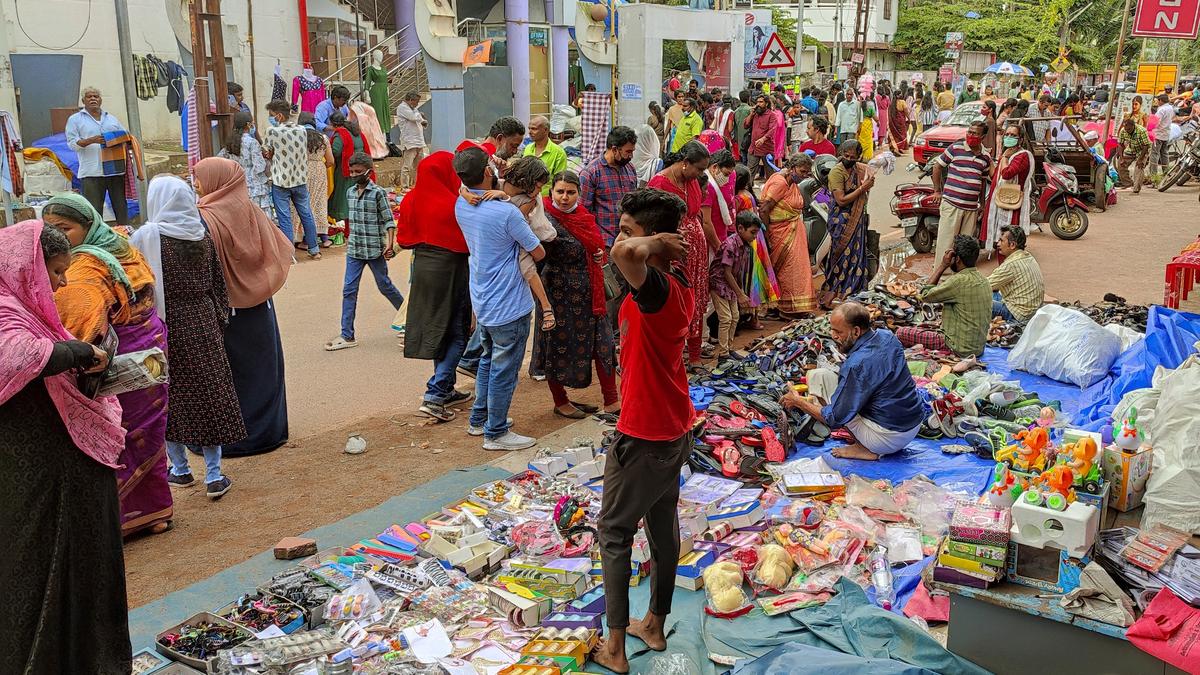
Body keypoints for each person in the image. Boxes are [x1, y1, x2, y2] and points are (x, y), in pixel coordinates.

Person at [0, 221, 132, 674]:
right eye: (54, 272)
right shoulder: (6, 310)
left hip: (58, 459)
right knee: (36, 565)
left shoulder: (29, 308)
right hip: (29, 468)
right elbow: (15, 356)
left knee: (82, 559)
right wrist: (77, 352)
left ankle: (90, 659)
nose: (59, 284)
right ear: (26, 268)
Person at [593, 188, 692, 675]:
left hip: (646, 433)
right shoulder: (669, 286)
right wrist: (651, 242)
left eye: (628, 231)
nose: (619, 240)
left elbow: (622, 254)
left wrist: (648, 243)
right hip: (671, 427)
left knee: (613, 531)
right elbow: (622, 254)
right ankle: (653, 623)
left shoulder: (657, 289)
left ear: (656, 241)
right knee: (661, 524)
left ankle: (614, 649)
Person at [45, 193, 172, 537]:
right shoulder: (121, 247)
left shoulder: (83, 267)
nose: (57, 236)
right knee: (146, 434)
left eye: (64, 228)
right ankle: (156, 512)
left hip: (118, 360)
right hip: (149, 351)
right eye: (50, 229)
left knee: (116, 435)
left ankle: (123, 520)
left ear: (88, 225)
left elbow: (81, 326)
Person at [129, 176, 242, 498]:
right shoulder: (202, 236)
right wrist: (217, 321)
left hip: (163, 326)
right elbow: (218, 284)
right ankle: (214, 475)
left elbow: (135, 284)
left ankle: (180, 469)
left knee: (167, 394)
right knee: (209, 394)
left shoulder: (147, 237)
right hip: (202, 321)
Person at [194, 157, 293, 457]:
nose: (195, 184)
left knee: (229, 372)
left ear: (216, 180)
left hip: (225, 310)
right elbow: (275, 251)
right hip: (259, 306)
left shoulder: (203, 219)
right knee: (261, 370)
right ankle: (266, 432)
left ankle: (232, 437)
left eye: (199, 177)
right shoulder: (252, 211)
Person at [453, 146, 546, 450]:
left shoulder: (462, 203)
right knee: (504, 371)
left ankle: (479, 420)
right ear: (486, 172)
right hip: (509, 303)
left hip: (484, 298)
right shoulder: (506, 212)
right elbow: (538, 251)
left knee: (488, 362)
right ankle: (495, 432)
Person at [781, 302, 924, 461]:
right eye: (832, 330)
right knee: (819, 375)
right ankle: (864, 437)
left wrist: (797, 401)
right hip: (914, 423)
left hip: (887, 438)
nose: (833, 336)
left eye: (838, 332)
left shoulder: (855, 365)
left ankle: (864, 448)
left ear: (856, 331)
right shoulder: (887, 336)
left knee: (838, 407)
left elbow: (834, 418)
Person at [534, 171, 620, 419]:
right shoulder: (543, 219)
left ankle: (612, 400)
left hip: (590, 295)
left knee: (604, 345)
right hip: (558, 296)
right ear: (551, 192)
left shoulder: (583, 217)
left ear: (579, 195)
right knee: (557, 348)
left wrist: (596, 255)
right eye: (560, 192)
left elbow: (595, 246)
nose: (564, 197)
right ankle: (560, 401)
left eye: (570, 192)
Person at [398, 152, 474, 422]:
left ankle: (447, 387)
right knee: (457, 331)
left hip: (422, 267)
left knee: (437, 327)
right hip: (451, 267)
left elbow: (403, 239)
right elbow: (469, 242)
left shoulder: (410, 199)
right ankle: (436, 393)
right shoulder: (454, 204)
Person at [324, 153, 405, 351]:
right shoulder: (350, 192)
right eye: (351, 171)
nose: (354, 175)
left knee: (385, 286)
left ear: (369, 172)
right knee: (349, 290)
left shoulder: (378, 193)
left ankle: (409, 318)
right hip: (355, 249)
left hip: (374, 250)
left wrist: (389, 245)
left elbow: (388, 221)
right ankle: (347, 334)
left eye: (358, 171)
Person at [648, 142, 713, 372]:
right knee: (674, 302)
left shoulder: (692, 182)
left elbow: (697, 214)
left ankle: (694, 356)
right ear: (685, 163)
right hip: (671, 253)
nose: (701, 174)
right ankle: (672, 357)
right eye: (699, 168)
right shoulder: (659, 183)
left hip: (695, 254)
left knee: (695, 301)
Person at [580, 126, 639, 321]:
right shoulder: (591, 173)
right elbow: (585, 214)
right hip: (607, 243)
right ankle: (612, 333)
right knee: (613, 292)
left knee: (631, 288)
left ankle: (625, 330)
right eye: (628, 151)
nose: (631, 155)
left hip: (630, 242)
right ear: (614, 149)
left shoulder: (630, 169)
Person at [897, 235, 991, 357]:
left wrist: (943, 265)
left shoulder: (958, 281)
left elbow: (924, 295)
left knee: (901, 332)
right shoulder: (984, 280)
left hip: (956, 347)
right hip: (978, 348)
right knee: (925, 326)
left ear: (957, 259)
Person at [759, 153, 817, 317]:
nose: (804, 175)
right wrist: (767, 235)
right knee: (789, 271)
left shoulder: (790, 182)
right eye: (802, 171)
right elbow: (764, 209)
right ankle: (787, 308)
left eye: (807, 173)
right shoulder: (780, 183)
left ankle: (792, 306)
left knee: (795, 270)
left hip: (792, 232)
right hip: (780, 233)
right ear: (792, 168)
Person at [263, 99, 322, 259]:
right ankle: (314, 249)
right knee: (306, 214)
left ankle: (289, 254)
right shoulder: (302, 130)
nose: (271, 118)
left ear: (279, 116)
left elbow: (266, 152)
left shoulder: (272, 131)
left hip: (280, 181)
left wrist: (272, 154)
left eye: (272, 115)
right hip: (300, 179)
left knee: (285, 218)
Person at [65, 87, 132, 226]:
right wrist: (91, 140)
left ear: (100, 100)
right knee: (94, 210)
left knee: (121, 206)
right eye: (89, 96)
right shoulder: (75, 119)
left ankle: (125, 232)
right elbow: (72, 144)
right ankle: (97, 235)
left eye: (96, 96)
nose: (93, 99)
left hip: (114, 170)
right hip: (92, 171)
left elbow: (126, 135)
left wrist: (116, 139)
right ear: (83, 100)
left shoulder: (111, 118)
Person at [820, 140, 875, 306]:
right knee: (840, 256)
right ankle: (832, 294)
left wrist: (868, 179)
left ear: (858, 157)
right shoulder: (836, 172)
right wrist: (863, 188)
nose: (849, 159)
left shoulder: (858, 169)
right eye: (846, 156)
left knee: (856, 257)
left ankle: (853, 294)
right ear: (841, 154)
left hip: (857, 219)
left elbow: (871, 171)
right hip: (841, 220)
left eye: (853, 157)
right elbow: (841, 200)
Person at [931, 120, 993, 264]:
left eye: (975, 133)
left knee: (965, 247)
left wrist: (982, 204)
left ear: (982, 137)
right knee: (946, 244)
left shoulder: (985, 157)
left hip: (971, 209)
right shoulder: (956, 148)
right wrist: (937, 191)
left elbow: (983, 181)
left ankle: (960, 275)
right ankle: (942, 275)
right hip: (952, 204)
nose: (970, 135)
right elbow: (937, 167)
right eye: (969, 132)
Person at [709, 211, 761, 359]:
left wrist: (741, 291)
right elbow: (726, 272)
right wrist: (740, 294)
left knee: (735, 317)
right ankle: (723, 353)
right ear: (740, 228)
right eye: (752, 232)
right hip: (719, 284)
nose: (755, 236)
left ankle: (729, 348)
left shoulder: (745, 246)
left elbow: (738, 272)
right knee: (726, 318)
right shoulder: (730, 245)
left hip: (730, 285)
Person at [981, 124, 1034, 252]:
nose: (1009, 137)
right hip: (1000, 198)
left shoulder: (1022, 155)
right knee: (1001, 238)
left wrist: (1004, 157)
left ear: (1021, 139)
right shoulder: (1008, 154)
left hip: (1011, 201)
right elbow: (996, 176)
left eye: (1013, 135)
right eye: (1007, 134)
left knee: (1008, 238)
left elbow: (1006, 174)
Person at [218, 111, 272, 214]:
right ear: (248, 124)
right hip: (255, 186)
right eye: (252, 123)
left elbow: (219, 159)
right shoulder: (252, 142)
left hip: (237, 183)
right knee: (258, 216)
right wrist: (267, 162)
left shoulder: (230, 142)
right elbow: (259, 166)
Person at [988, 226, 1044, 323]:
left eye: (1001, 241)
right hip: (1031, 311)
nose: (998, 244)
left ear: (1012, 245)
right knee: (993, 293)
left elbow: (983, 286)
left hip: (1018, 314)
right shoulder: (1028, 256)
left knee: (975, 300)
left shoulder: (1010, 265)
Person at [296, 112, 336, 247]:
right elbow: (330, 161)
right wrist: (320, 165)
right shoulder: (323, 138)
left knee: (304, 205)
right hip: (319, 171)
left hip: (302, 171)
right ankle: (324, 239)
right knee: (320, 203)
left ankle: (305, 240)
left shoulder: (297, 137)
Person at [329, 112, 373, 230]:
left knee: (344, 197)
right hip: (362, 169)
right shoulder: (356, 131)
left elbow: (335, 151)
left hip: (347, 171)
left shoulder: (340, 134)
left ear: (333, 124)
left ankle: (347, 226)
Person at [523, 115, 568, 195]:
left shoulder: (558, 152)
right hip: (526, 194)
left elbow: (560, 181)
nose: (529, 132)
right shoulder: (528, 148)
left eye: (534, 129)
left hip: (546, 197)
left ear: (546, 130)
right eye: (529, 128)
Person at [702, 149, 737, 243]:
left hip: (720, 236)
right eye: (726, 174)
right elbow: (706, 222)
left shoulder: (715, 184)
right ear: (715, 167)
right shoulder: (708, 187)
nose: (727, 179)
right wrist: (718, 246)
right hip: (713, 241)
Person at [395, 91, 428, 190]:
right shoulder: (402, 108)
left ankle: (418, 185)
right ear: (410, 100)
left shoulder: (413, 109)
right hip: (410, 142)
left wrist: (422, 119)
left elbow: (420, 120)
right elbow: (414, 117)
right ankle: (405, 186)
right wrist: (420, 115)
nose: (417, 104)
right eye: (416, 101)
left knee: (419, 167)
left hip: (419, 141)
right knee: (407, 167)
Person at [746, 94, 779, 179]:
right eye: (757, 102)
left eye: (761, 102)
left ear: (766, 103)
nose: (758, 104)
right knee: (749, 173)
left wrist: (763, 139)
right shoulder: (755, 114)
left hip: (767, 148)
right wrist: (751, 114)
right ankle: (748, 186)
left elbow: (772, 129)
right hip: (754, 147)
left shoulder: (772, 115)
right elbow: (746, 125)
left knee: (770, 174)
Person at [1116, 115, 1151, 193]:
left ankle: (1136, 188)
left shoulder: (1142, 130)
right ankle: (1128, 184)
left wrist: (1140, 159)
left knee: (1139, 167)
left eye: (1129, 129)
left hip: (1142, 150)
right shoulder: (1123, 130)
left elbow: (1146, 145)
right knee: (1121, 165)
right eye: (1126, 129)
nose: (1127, 131)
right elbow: (1120, 144)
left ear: (1133, 126)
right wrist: (1121, 158)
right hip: (1131, 149)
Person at [1151, 93, 1178, 176]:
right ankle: (1166, 173)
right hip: (1166, 134)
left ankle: (1153, 175)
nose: (1157, 102)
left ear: (1161, 101)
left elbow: (1156, 122)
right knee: (1164, 154)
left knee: (1154, 154)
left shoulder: (1161, 110)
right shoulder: (1170, 108)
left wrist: (1150, 127)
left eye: (1158, 100)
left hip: (1158, 134)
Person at [732, 90, 753, 161]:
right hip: (749, 140)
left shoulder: (735, 111)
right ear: (749, 98)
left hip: (740, 141)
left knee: (742, 159)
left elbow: (735, 128)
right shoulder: (751, 110)